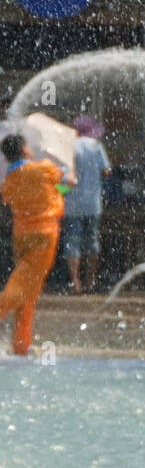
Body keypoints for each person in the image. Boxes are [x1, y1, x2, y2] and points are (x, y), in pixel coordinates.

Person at [0, 135, 64, 356]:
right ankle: (19, 340)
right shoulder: (43, 168)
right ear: (24, 149)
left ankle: (21, 343)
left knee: (27, 288)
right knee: (19, 287)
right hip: (44, 235)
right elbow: (63, 182)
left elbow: (8, 198)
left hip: (20, 236)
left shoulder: (8, 179)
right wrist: (69, 180)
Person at [61, 115, 111, 295]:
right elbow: (106, 170)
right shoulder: (96, 146)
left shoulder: (69, 146)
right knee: (91, 240)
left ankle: (75, 281)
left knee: (72, 241)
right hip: (92, 203)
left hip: (72, 203)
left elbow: (63, 175)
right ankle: (90, 279)